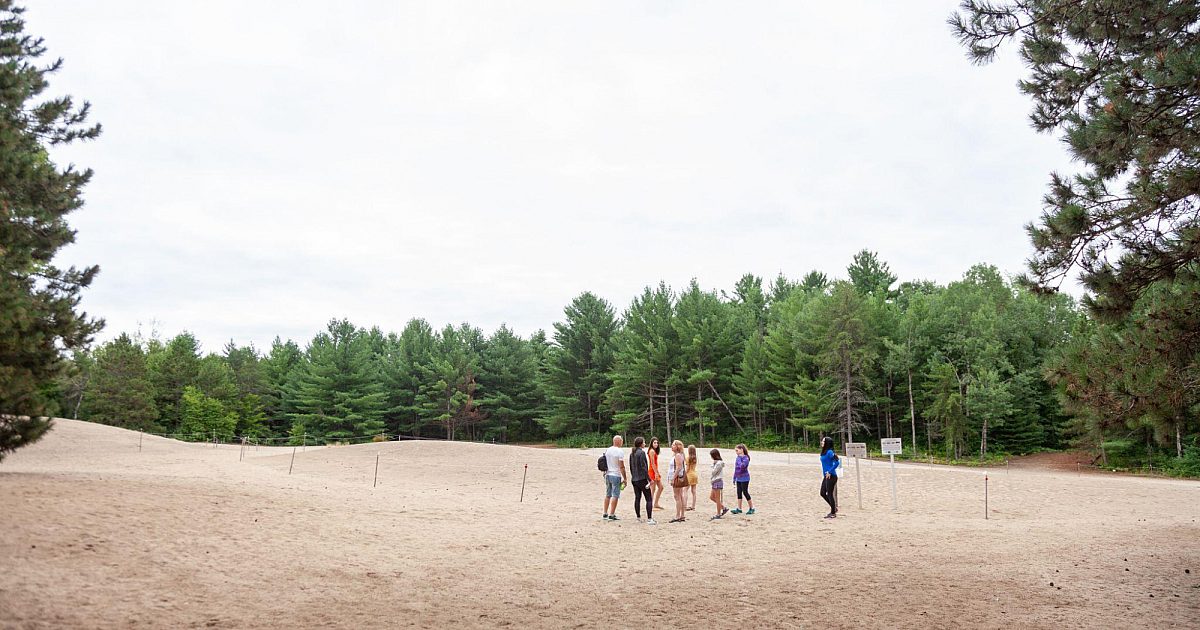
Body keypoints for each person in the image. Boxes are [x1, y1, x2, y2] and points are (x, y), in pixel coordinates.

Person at [628, 437, 656, 525]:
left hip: (634, 479)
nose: (645, 444)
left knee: (637, 498)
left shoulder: (632, 453)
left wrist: (633, 476)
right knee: (648, 499)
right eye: (644, 442)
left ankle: (638, 517)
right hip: (642, 479)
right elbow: (644, 468)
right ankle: (649, 518)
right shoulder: (642, 453)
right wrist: (649, 479)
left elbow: (631, 467)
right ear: (641, 444)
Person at [601, 435, 627, 521]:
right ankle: (611, 514)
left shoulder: (608, 450)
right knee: (615, 495)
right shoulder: (620, 451)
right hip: (616, 474)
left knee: (608, 494)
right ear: (619, 441)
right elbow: (621, 466)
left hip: (608, 474)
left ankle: (605, 513)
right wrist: (625, 478)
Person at [731, 443, 755, 515]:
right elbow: (736, 468)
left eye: (737, 450)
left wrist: (739, 459)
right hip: (738, 478)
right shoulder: (738, 458)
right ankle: (739, 508)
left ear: (741, 450)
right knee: (739, 493)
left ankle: (752, 508)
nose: (736, 452)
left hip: (745, 478)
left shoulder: (746, 458)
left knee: (745, 492)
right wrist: (734, 477)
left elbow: (742, 466)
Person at [667, 440, 688, 523]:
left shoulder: (678, 455)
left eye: (673, 445)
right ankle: (682, 515)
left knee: (677, 496)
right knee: (680, 496)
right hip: (679, 477)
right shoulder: (679, 454)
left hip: (677, 478)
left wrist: (673, 478)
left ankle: (678, 515)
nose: (672, 446)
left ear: (677, 446)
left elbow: (679, 467)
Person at [820, 436, 839, 519]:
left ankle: (833, 512)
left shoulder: (830, 452)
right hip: (826, 476)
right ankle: (834, 508)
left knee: (829, 494)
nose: (821, 442)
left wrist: (830, 471)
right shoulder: (824, 452)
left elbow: (837, 462)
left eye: (823, 441)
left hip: (831, 476)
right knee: (822, 493)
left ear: (827, 443)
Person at [709, 449, 728, 520]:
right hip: (715, 481)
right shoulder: (717, 463)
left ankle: (718, 513)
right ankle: (723, 508)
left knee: (717, 498)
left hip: (717, 481)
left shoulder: (719, 463)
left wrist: (714, 464)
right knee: (712, 497)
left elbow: (713, 472)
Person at [648, 437, 664, 510]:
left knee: (660, 487)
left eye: (657, 443)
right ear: (651, 443)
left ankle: (656, 503)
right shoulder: (651, 451)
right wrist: (656, 473)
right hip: (652, 471)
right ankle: (650, 504)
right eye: (654, 442)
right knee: (653, 489)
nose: (656, 444)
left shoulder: (653, 451)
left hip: (655, 471)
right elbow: (652, 463)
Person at [685, 444, 699, 511]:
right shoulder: (695, 458)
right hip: (695, 474)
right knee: (694, 491)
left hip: (689, 474)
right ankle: (693, 506)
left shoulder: (688, 458)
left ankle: (684, 505)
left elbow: (687, 468)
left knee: (685, 490)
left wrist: (684, 474)